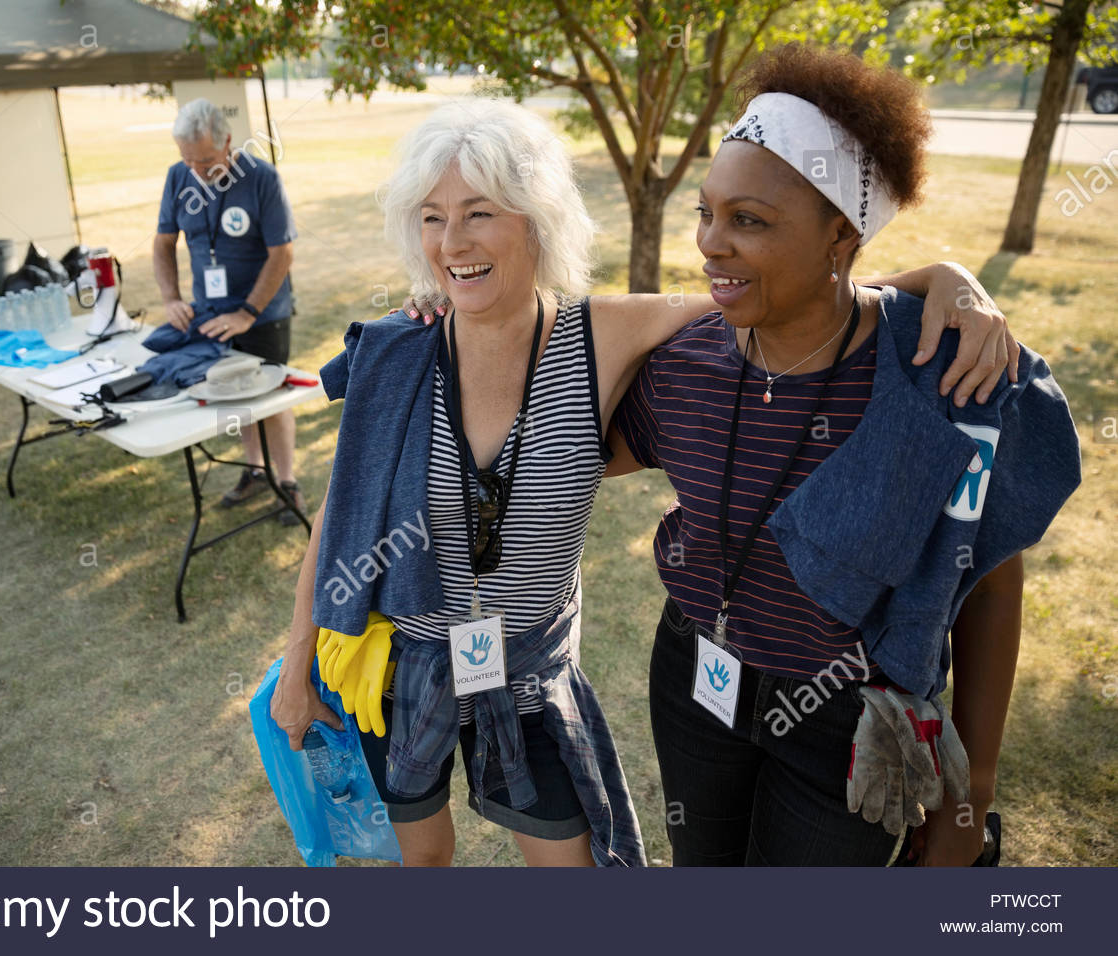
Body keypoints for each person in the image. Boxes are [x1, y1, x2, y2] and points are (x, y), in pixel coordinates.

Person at [270, 98, 1018, 867]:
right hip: (406, 664)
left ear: (535, 218)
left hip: (528, 672)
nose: (451, 242)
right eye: (432, 218)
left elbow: (802, 296)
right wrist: (297, 664)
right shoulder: (400, 353)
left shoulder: (609, 333)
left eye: (479, 214)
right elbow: (342, 517)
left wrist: (945, 278)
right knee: (420, 862)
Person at [607, 45, 1080, 866]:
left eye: (749, 220)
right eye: (707, 212)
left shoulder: (936, 377)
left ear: (840, 234)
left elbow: (991, 584)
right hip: (696, 678)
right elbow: (542, 452)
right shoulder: (685, 365)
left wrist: (976, 789)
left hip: (852, 716)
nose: (711, 243)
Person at [153, 97, 306, 522]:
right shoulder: (178, 178)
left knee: (271, 395)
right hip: (210, 313)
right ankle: (255, 471)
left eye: (206, 160)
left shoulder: (261, 179)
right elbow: (164, 243)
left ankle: (287, 480)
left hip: (263, 313)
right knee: (234, 391)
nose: (198, 171)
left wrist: (249, 312)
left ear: (228, 142)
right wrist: (171, 298)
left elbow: (282, 253)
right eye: (188, 161)